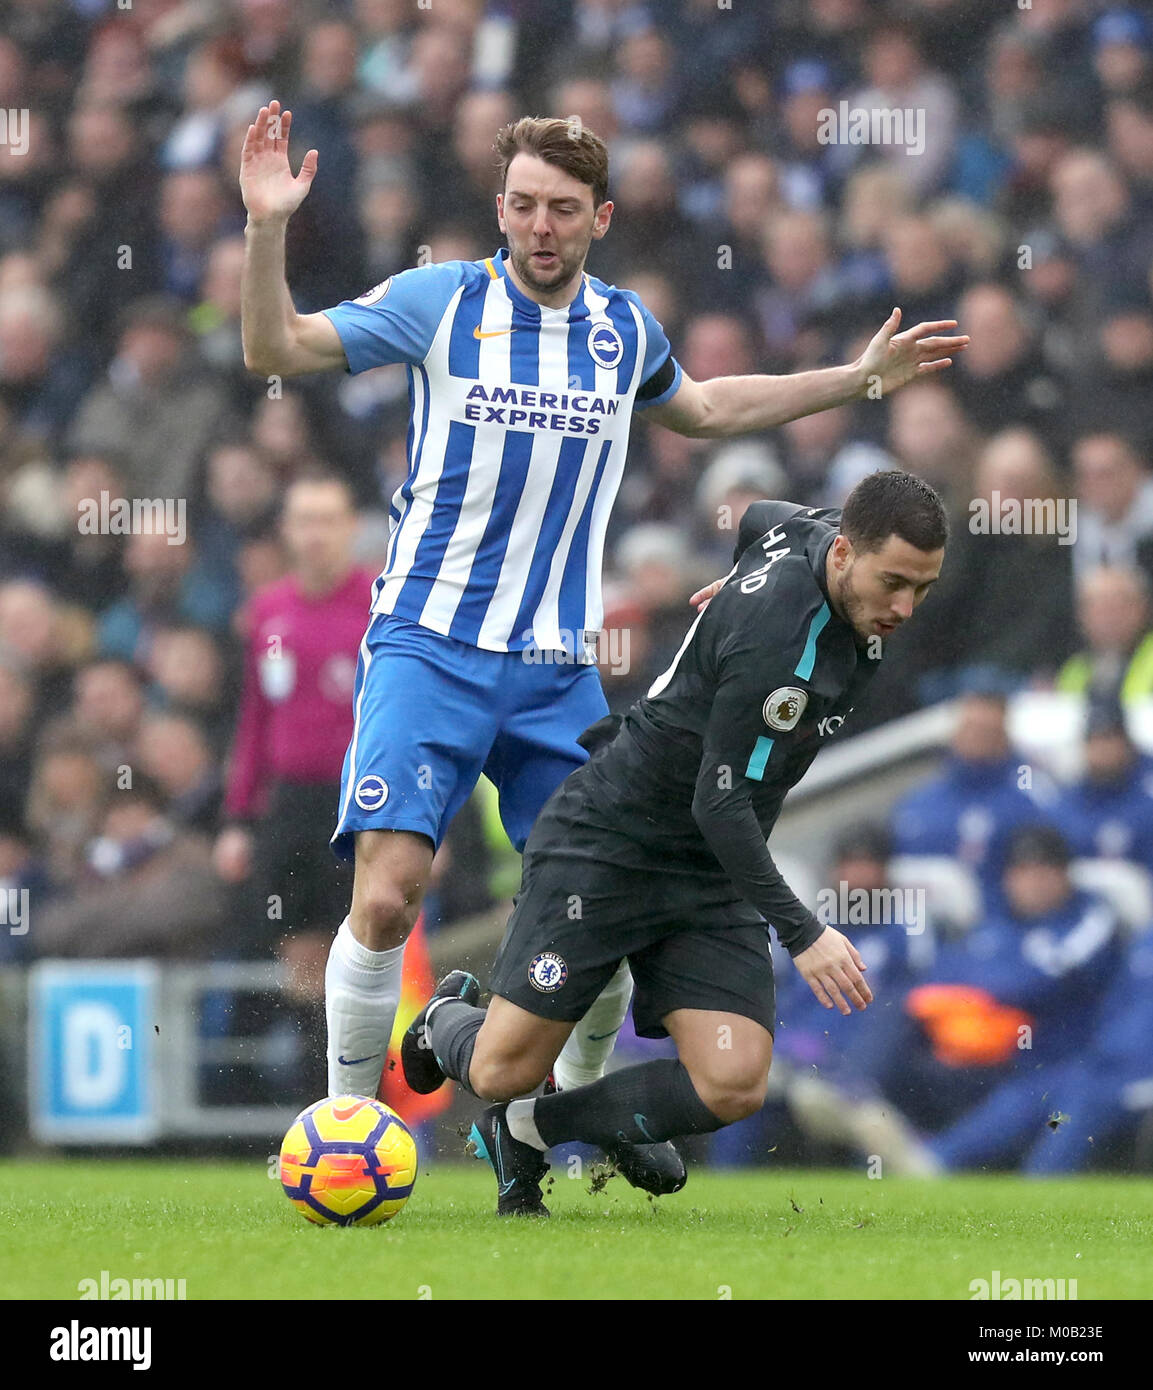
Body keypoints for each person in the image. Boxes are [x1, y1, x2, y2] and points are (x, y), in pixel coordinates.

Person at [239, 99, 965, 1191]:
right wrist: (264, 229)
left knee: (607, 900)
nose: (541, 225)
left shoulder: (624, 330)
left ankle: (554, 1129)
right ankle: (349, 1128)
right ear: (500, 209)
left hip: (554, 670)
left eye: (563, 209)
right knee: (388, 892)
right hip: (429, 645)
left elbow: (711, 408)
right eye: (524, 205)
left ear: (600, 217)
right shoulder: (441, 302)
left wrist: (856, 378)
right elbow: (274, 345)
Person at [402, 470, 948, 1215]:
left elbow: (762, 513)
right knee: (498, 1068)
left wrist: (730, 581)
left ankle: (528, 1131)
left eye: (921, 588)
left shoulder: (819, 535)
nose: (904, 607)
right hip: (611, 841)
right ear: (847, 553)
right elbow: (719, 801)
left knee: (732, 1081)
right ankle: (446, 1022)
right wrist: (804, 932)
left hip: (703, 868)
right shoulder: (775, 647)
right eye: (893, 583)